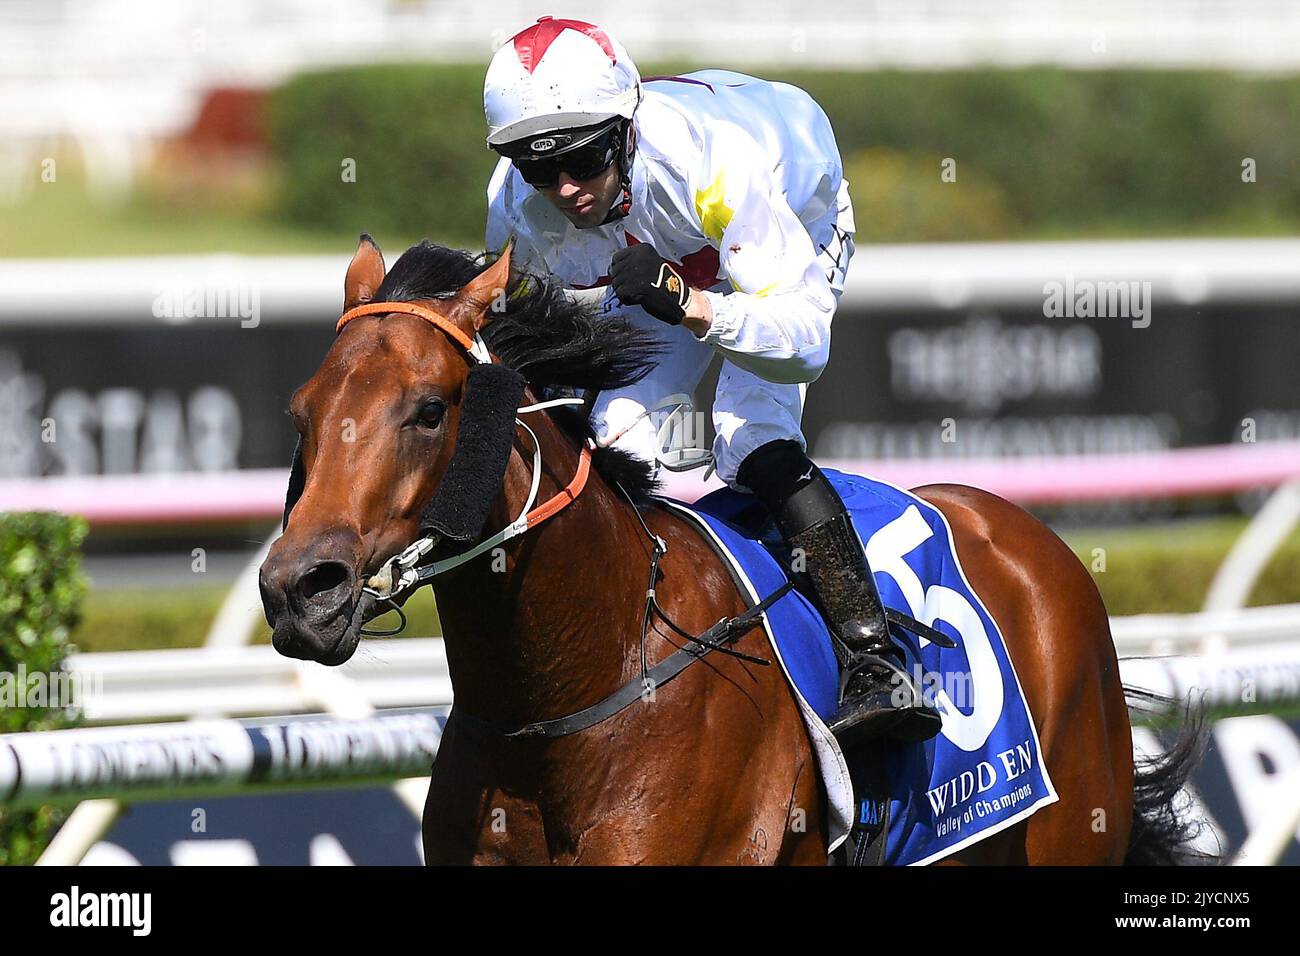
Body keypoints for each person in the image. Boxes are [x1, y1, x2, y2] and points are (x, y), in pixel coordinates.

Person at [483, 17, 939, 744]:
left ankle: (874, 658)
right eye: (540, 168)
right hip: (670, 253)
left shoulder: (715, 162)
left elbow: (801, 347)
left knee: (748, 433)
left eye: (584, 159)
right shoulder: (516, 200)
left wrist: (691, 305)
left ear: (626, 130)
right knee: (613, 440)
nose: (565, 190)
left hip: (788, 218)